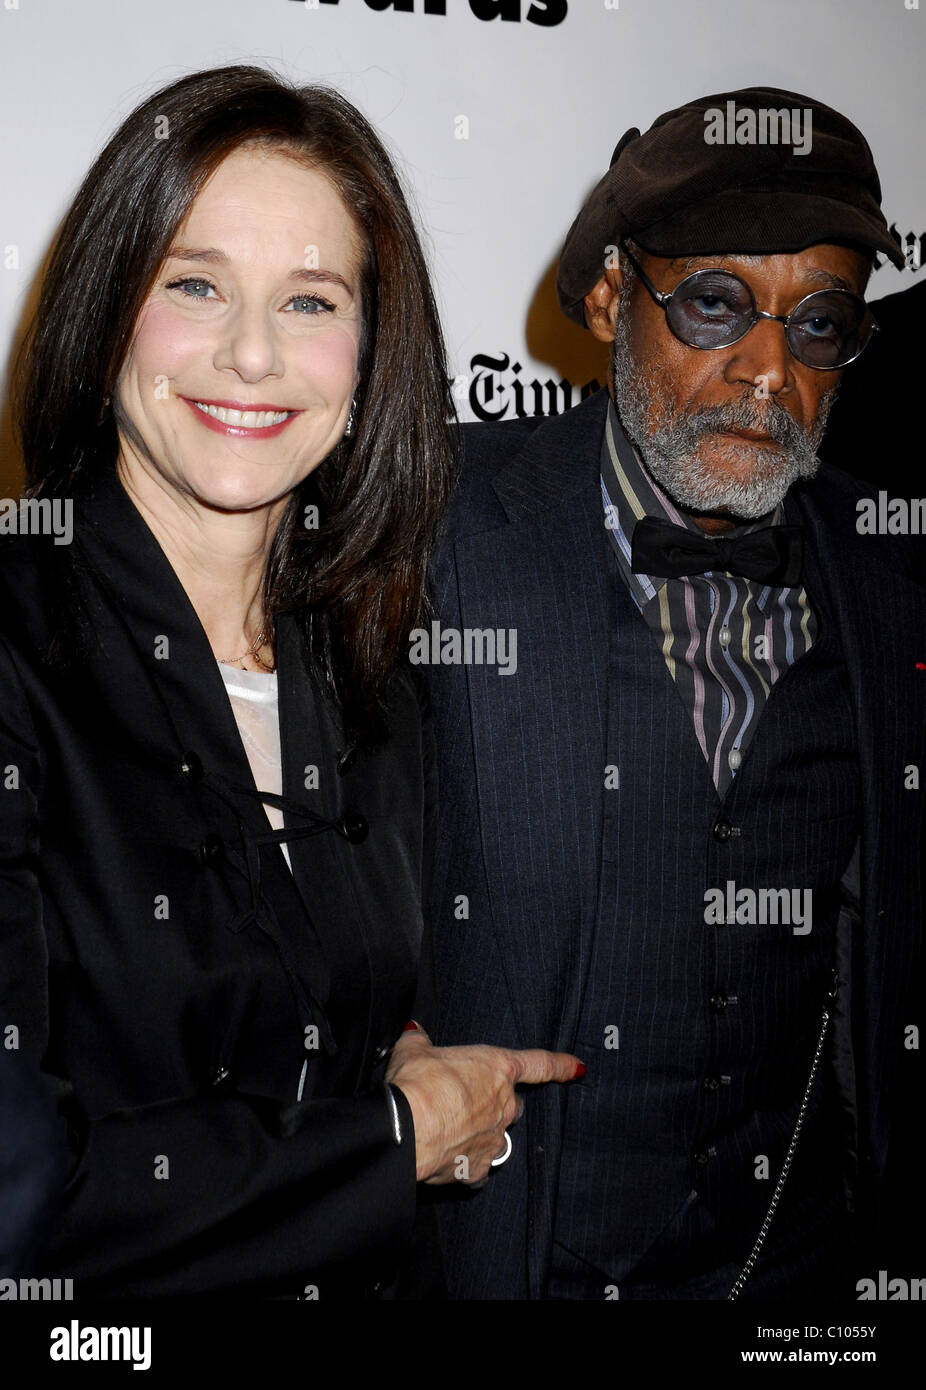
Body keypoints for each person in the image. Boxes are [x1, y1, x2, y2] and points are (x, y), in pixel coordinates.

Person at [0, 64, 580, 1299]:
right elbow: (26, 1195)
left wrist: (383, 1042)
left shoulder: (365, 655)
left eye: (310, 301)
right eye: (194, 285)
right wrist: (392, 1141)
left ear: (371, 353)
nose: (252, 354)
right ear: (107, 310)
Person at [425, 87, 926, 1300]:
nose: (765, 372)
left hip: (796, 1263)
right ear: (609, 298)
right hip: (512, 1255)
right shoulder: (437, 524)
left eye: (819, 327)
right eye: (712, 304)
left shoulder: (894, 565)